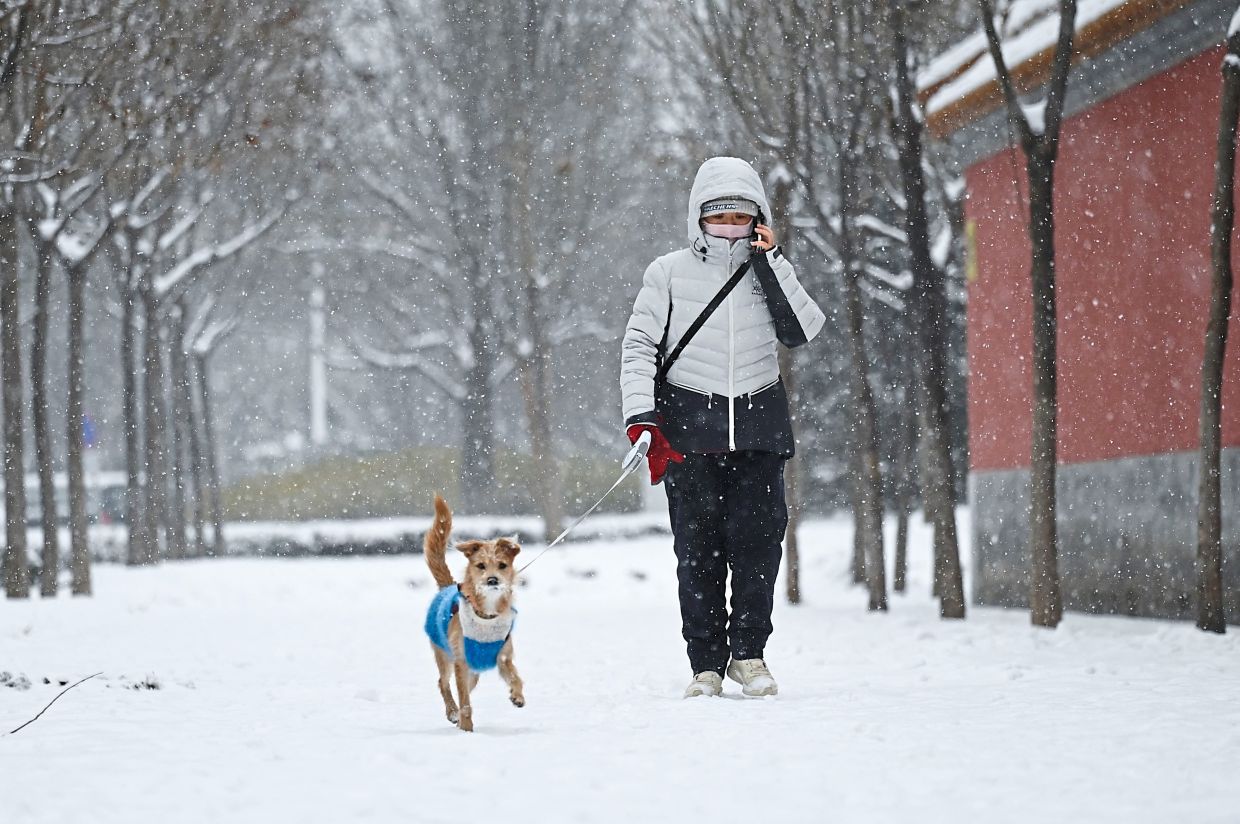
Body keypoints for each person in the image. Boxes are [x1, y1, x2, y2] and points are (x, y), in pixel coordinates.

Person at [620, 156, 825, 698]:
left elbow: (802, 330)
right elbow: (639, 347)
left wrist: (771, 260)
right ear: (698, 217)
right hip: (690, 434)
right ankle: (706, 664)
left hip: (760, 431)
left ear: (758, 218)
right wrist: (641, 417)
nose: (729, 227)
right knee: (698, 554)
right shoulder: (667, 273)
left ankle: (750, 655)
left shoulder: (769, 268)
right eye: (718, 217)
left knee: (759, 549)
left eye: (740, 217)